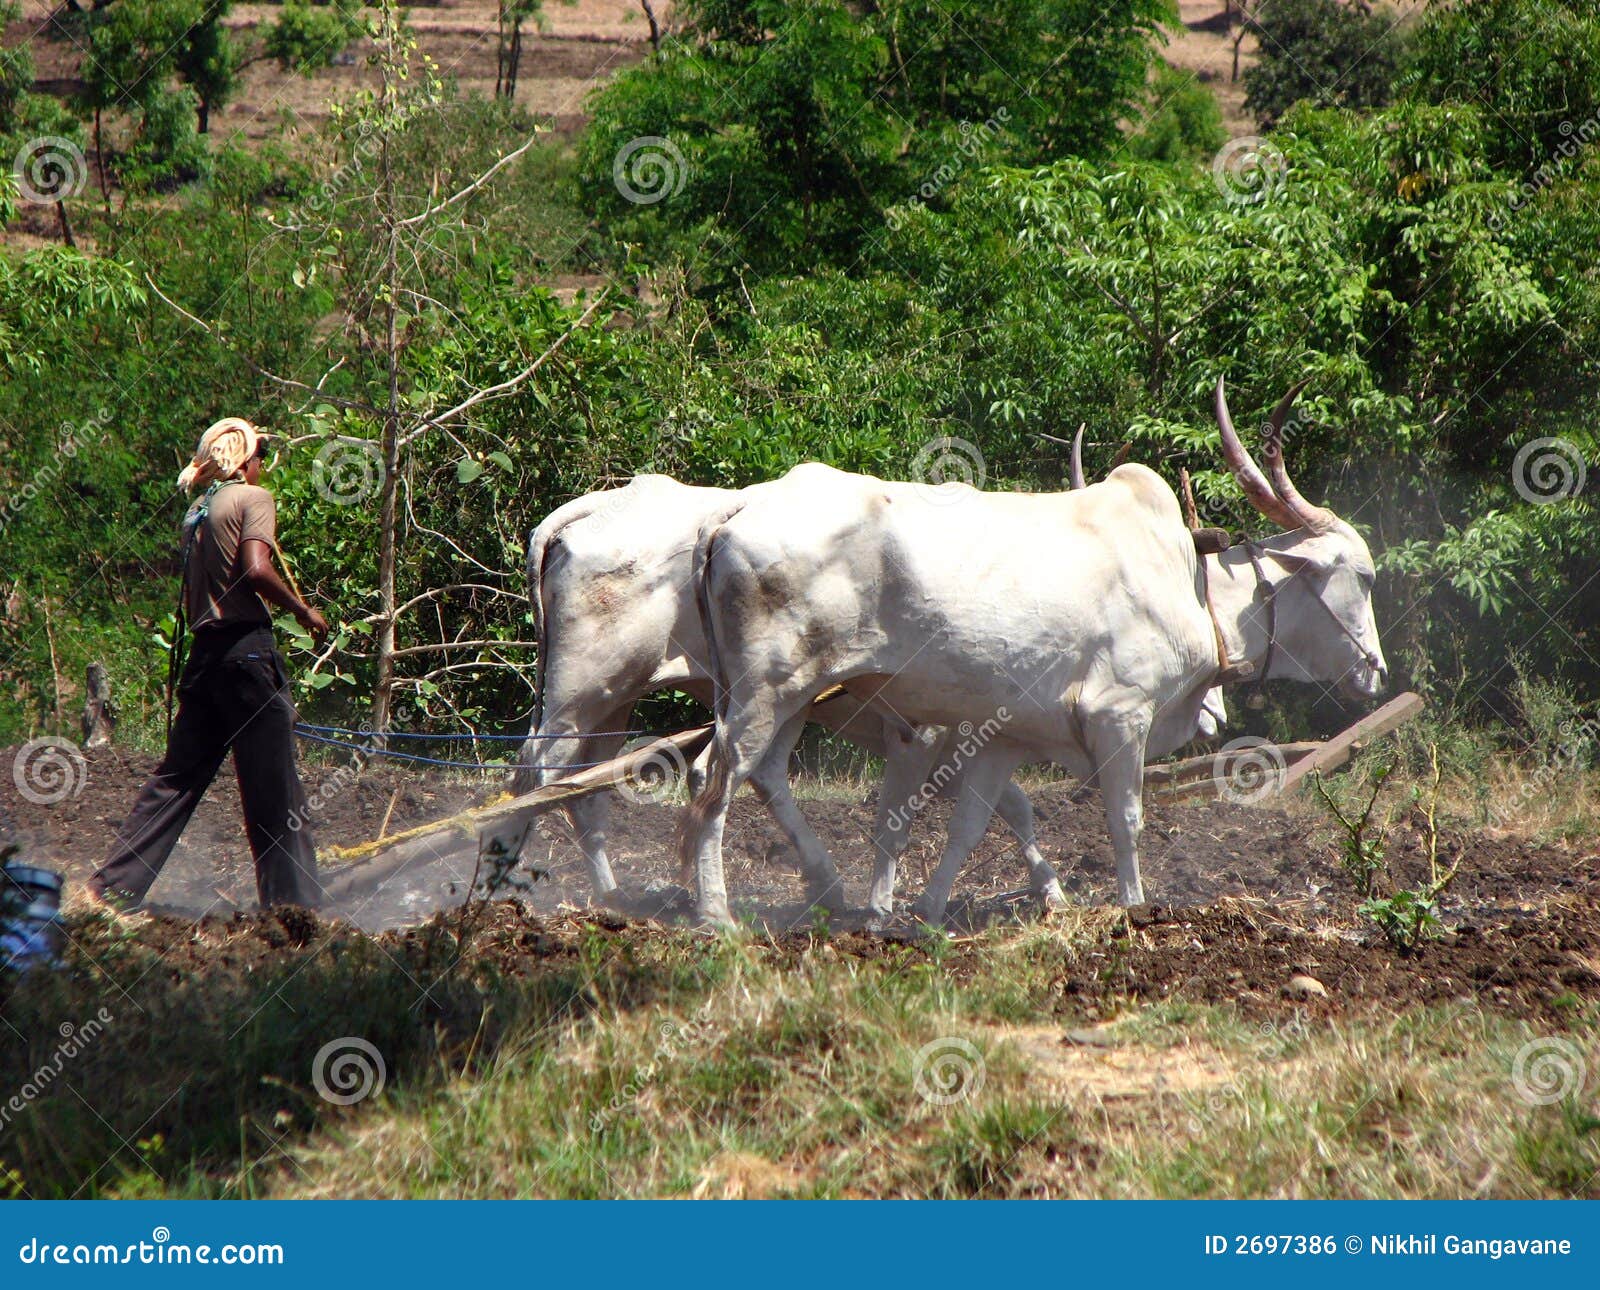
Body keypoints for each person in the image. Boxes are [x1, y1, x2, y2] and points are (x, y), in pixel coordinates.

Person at [90, 418, 331, 912]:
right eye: (259, 456)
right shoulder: (252, 500)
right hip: (246, 655)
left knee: (176, 780)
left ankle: (110, 888)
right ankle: (295, 909)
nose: (262, 466)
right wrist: (303, 610)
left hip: (205, 661)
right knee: (275, 790)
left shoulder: (198, 511)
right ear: (244, 460)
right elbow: (256, 569)